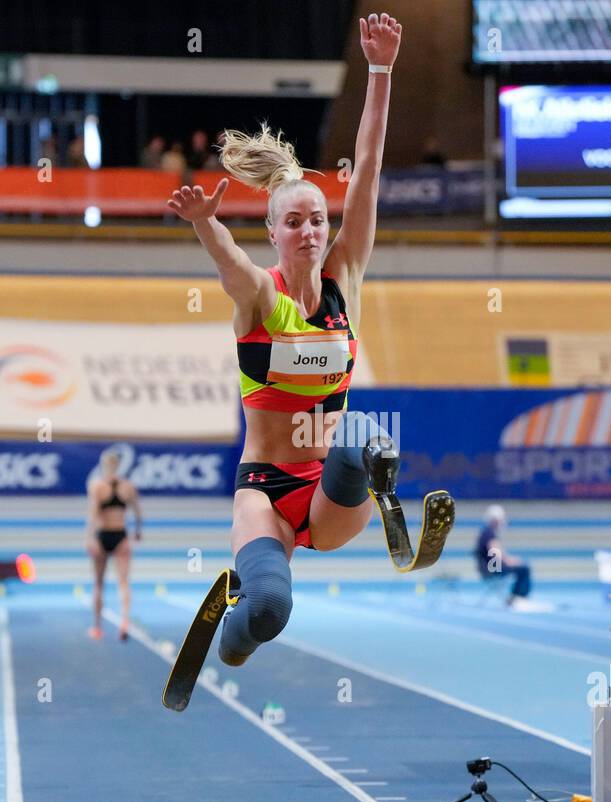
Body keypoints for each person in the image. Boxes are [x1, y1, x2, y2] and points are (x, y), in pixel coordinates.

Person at [164, 12, 449, 669]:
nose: (310, 231)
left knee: (362, 435)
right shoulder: (263, 297)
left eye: (317, 219)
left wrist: (380, 71)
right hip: (263, 490)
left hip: (330, 488)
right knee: (268, 610)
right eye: (294, 221)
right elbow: (233, 269)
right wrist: (208, 227)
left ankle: (384, 490)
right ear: (275, 232)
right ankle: (234, 633)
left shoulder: (345, 274)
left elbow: (370, 168)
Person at [85, 450, 142, 641]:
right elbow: (138, 513)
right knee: (123, 582)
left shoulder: (97, 487)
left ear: (103, 466)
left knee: (99, 583)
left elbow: (93, 515)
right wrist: (138, 531)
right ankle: (124, 621)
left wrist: (90, 539)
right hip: (120, 535)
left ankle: (97, 627)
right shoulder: (128, 487)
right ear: (118, 465)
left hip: (103, 535)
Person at [475, 505, 540, 610]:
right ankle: (518, 598)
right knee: (524, 569)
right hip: (493, 570)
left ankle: (514, 598)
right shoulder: (489, 534)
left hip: (490, 568)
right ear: (495, 520)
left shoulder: (486, 532)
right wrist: (511, 561)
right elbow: (496, 553)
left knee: (520, 567)